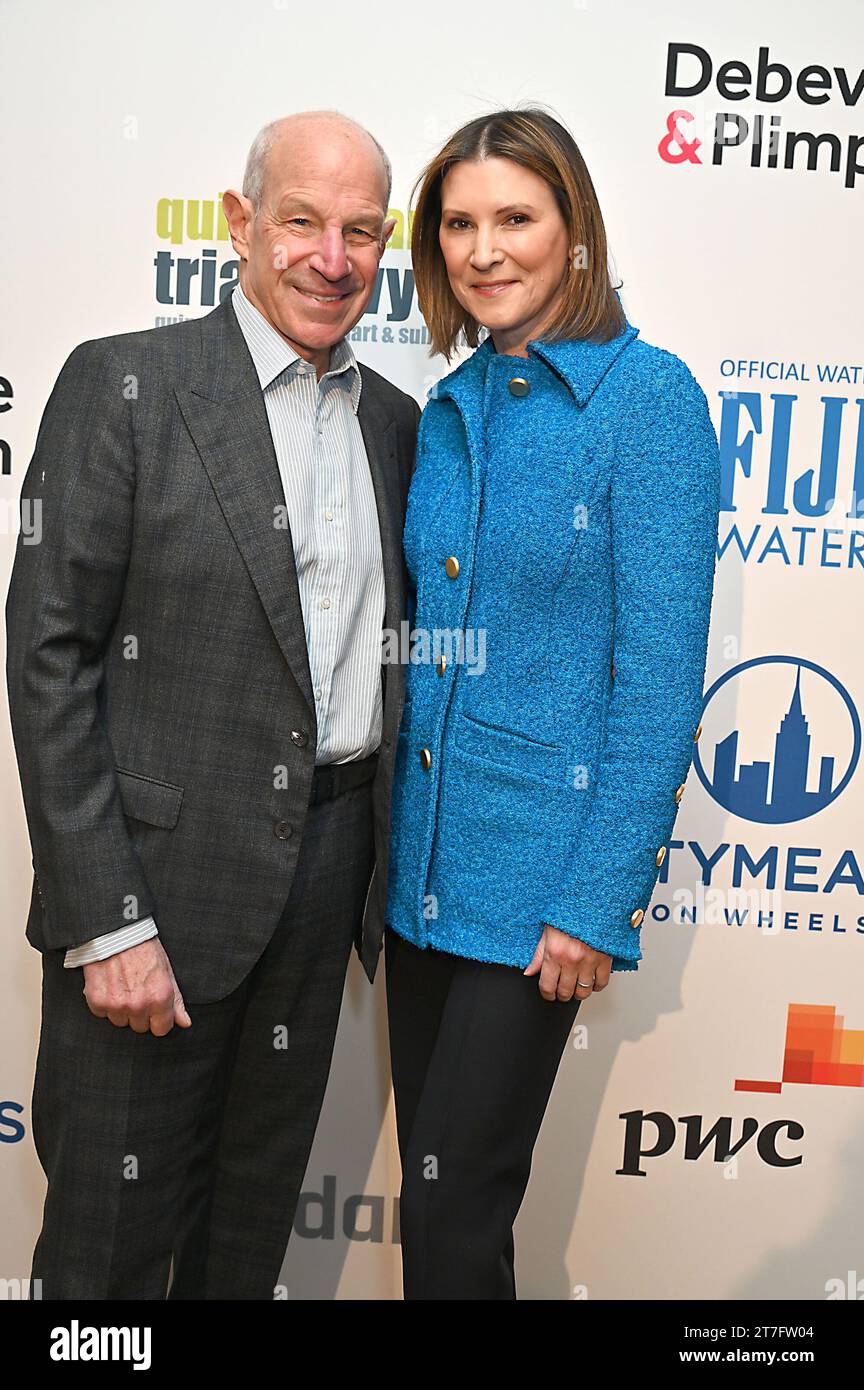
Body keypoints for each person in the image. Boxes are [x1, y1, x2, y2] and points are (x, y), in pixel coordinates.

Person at [5, 109, 420, 1299]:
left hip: (323, 887)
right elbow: (49, 657)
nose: (329, 259)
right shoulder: (127, 384)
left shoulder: (394, 425)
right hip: (155, 904)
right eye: (300, 221)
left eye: (357, 231)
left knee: (243, 1253)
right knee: (104, 1263)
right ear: (241, 224)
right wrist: (108, 922)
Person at [384, 106, 721, 1299]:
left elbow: (659, 682)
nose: (485, 250)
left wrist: (594, 902)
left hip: (539, 892)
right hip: (418, 886)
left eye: (515, 218)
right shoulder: (454, 404)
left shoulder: (650, 401)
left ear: (574, 229)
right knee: (441, 1213)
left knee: (453, 1207)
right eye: (461, 223)